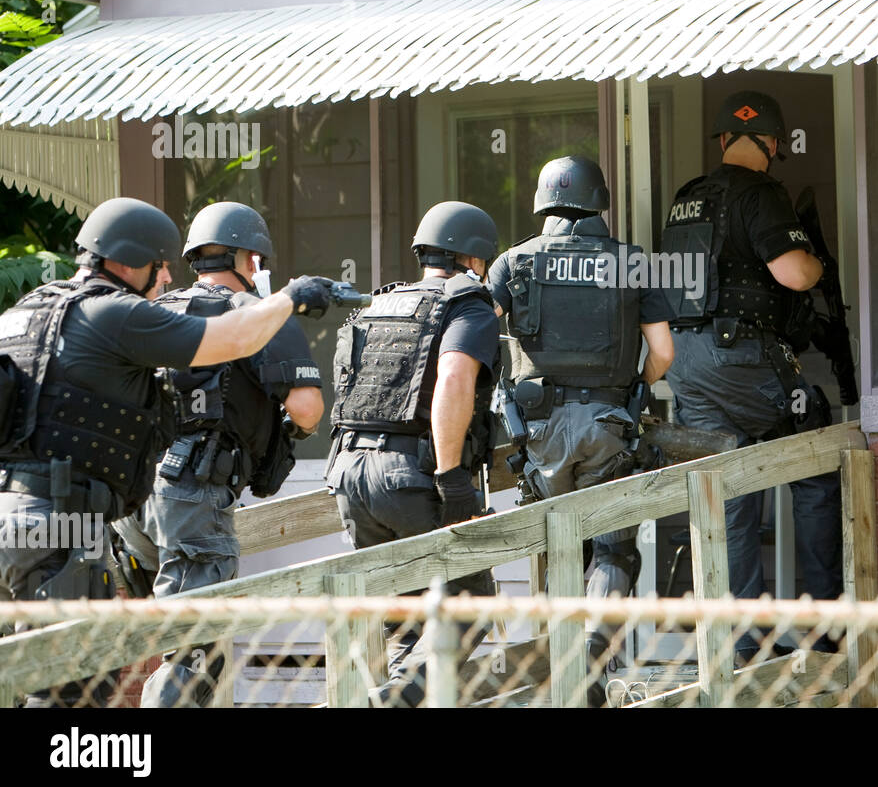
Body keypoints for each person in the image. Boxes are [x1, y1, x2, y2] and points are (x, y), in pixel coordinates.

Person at [0, 197, 337, 707]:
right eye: (157, 267)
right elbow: (233, 339)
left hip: (37, 517)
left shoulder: (26, 313)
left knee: (30, 673)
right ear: (130, 261)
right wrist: (291, 300)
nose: (163, 281)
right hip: (64, 523)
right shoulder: (115, 313)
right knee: (114, 678)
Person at [111, 202, 325, 707]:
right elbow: (308, 410)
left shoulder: (159, 308)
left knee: (176, 644)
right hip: (192, 502)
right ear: (252, 260)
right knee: (193, 653)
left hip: (134, 502)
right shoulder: (258, 314)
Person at [659, 90, 839, 664]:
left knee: (732, 492)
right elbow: (794, 274)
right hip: (741, 359)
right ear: (771, 143)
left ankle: (742, 639)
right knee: (815, 460)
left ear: (721, 141)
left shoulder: (686, 200)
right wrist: (815, 262)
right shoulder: (761, 194)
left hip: (684, 361)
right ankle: (825, 627)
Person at [488, 155, 674, 705]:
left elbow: (475, 332)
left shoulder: (512, 262)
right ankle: (595, 653)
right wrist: (637, 384)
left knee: (558, 548)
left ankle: (569, 671)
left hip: (538, 428)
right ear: (600, 201)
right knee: (613, 550)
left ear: (544, 202)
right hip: (609, 425)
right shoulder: (631, 262)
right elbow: (663, 352)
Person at [326, 200, 501, 707]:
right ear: (475, 258)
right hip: (411, 478)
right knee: (468, 608)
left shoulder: (381, 304)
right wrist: (452, 480)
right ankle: (396, 699)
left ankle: (396, 691)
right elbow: (454, 379)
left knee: (404, 612)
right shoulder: (467, 305)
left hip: (349, 472)